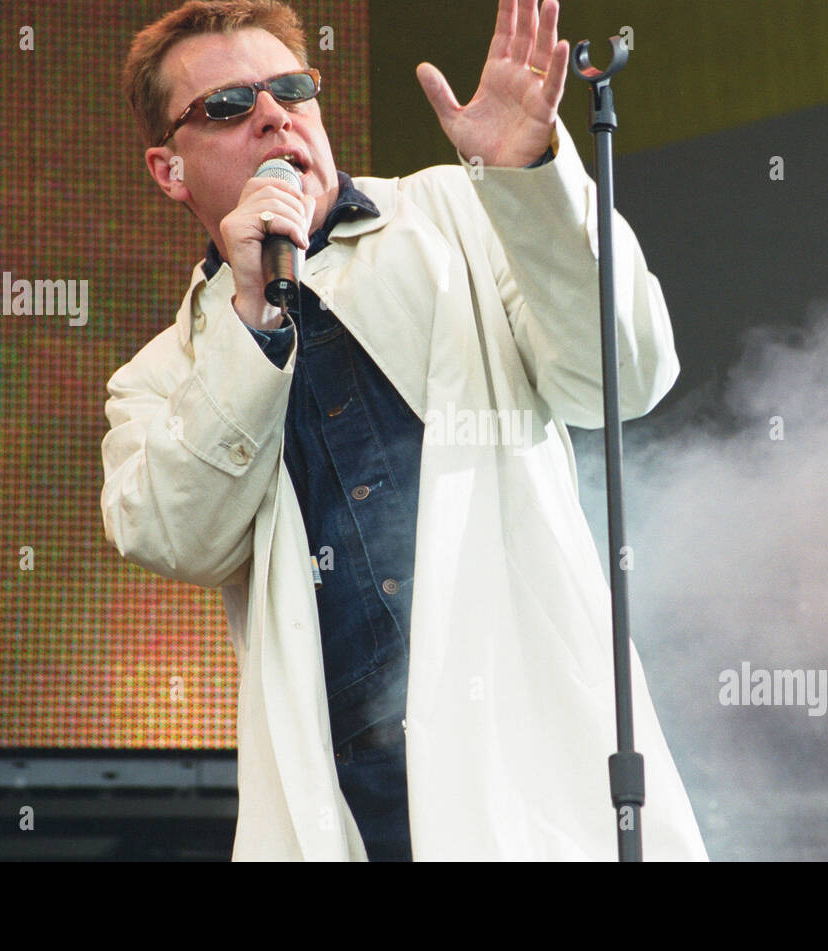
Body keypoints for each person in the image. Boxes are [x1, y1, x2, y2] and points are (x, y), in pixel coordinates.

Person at [102, 0, 708, 861]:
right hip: (358, 799)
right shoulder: (159, 377)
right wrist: (250, 315)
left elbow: (627, 375)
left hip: (530, 758)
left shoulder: (459, 210)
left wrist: (529, 177)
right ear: (169, 168)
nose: (274, 114)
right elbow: (180, 534)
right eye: (229, 107)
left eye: (290, 89)